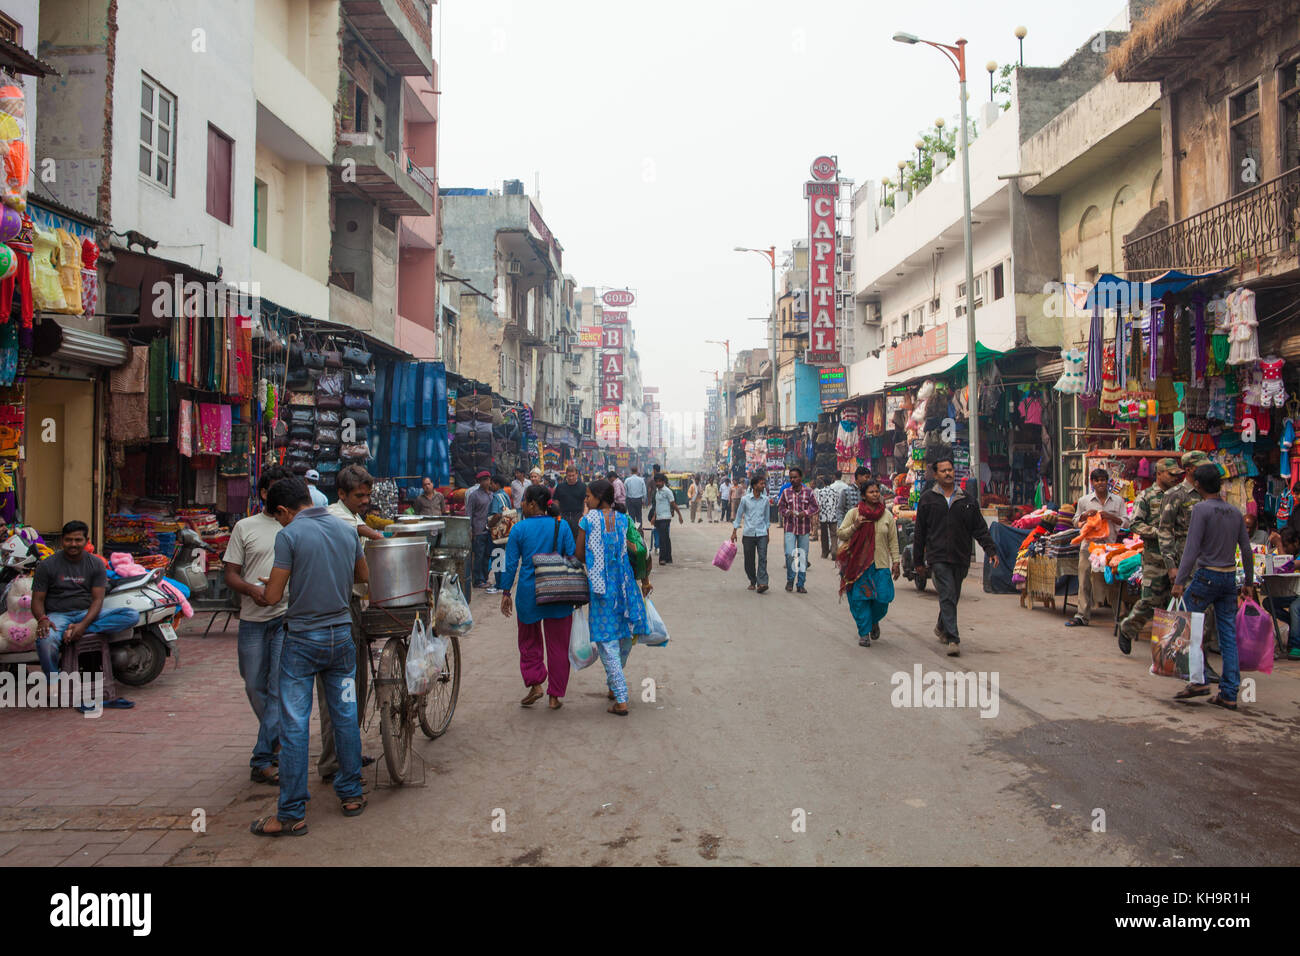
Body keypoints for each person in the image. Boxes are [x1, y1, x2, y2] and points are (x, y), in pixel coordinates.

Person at [250, 477, 368, 836]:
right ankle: (351, 794)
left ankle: (290, 812)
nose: (281, 522)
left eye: (279, 516)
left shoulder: (289, 535)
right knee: (345, 715)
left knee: (295, 723)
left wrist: (260, 589)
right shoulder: (347, 530)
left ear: (284, 510)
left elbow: (273, 596)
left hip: (302, 641)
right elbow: (362, 578)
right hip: (341, 639)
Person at [223, 465, 292, 784]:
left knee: (278, 688)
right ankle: (276, 738)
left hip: (284, 617)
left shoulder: (292, 525)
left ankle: (262, 757)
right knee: (253, 684)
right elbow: (231, 574)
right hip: (252, 618)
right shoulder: (245, 527)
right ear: (264, 493)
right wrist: (252, 589)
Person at [1171, 463, 1256, 712]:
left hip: (1206, 576)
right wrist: (1248, 582)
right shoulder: (1234, 512)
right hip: (1229, 578)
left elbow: (1191, 549)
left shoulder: (1201, 509)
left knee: (1187, 626)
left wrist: (1179, 581)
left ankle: (1197, 681)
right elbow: (1247, 551)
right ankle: (1229, 693)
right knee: (1227, 635)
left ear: (1197, 485)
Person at [32, 520, 137, 685]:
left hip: (86, 614)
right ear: (62, 540)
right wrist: (42, 619)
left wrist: (82, 625)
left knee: (131, 615)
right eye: (68, 540)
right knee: (45, 639)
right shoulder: (47, 565)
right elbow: (37, 600)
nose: (73, 544)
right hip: (58, 615)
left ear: (86, 541)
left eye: (78, 540)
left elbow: (98, 600)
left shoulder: (96, 564)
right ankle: (53, 681)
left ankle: (73, 631)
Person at [499, 484, 576, 711]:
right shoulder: (561, 526)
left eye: (523, 500)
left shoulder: (519, 529)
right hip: (558, 591)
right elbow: (572, 557)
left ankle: (535, 684)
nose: (521, 504)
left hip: (528, 593)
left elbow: (511, 563)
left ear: (532, 504)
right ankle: (555, 695)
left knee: (528, 641)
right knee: (559, 646)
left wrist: (505, 592)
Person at [576, 479, 648, 716]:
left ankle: (621, 697)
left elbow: (579, 555)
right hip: (625, 585)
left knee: (607, 642)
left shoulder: (587, 521)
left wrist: (597, 561)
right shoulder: (623, 519)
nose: (586, 500)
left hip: (602, 588)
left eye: (588, 496)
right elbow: (636, 548)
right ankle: (614, 683)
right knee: (625, 636)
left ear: (598, 497)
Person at [913, 456, 998, 657]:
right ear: (935, 475)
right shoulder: (927, 499)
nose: (948, 473)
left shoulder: (967, 500)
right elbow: (920, 533)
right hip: (938, 556)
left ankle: (941, 626)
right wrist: (918, 561)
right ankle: (953, 638)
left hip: (960, 556)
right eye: (943, 471)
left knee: (953, 595)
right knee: (948, 593)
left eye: (950, 470)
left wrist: (991, 550)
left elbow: (979, 528)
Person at [1117, 458, 1182, 655]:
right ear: (1159, 474)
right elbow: (1134, 524)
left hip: (1177, 556)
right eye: (1171, 474)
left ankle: (1173, 645)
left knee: (1178, 601)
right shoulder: (1146, 496)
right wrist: (1157, 533)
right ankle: (1128, 628)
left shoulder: (1179, 495)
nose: (1175, 478)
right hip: (1155, 557)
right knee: (1150, 601)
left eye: (1177, 475)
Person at [836, 478, 901, 647]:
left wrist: (896, 561)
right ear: (863, 495)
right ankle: (864, 633)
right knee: (860, 600)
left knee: (883, 599)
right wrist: (855, 526)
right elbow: (841, 534)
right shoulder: (854, 514)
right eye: (871, 492)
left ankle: (873, 621)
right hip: (858, 566)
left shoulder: (886, 515)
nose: (875, 494)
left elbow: (893, 540)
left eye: (877, 491)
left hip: (880, 565)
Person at [1065, 468, 1129, 628]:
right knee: (1084, 580)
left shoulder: (1118, 501)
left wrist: (1110, 517)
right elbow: (1075, 522)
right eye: (1097, 480)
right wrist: (1085, 516)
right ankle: (1082, 616)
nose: (1101, 483)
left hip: (1109, 547)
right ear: (1092, 482)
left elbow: (1127, 522)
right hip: (1088, 546)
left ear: (1107, 481)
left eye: (1103, 479)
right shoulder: (1084, 501)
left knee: (1112, 580)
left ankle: (1120, 617)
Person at [777, 466, 818, 594]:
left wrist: (805, 513)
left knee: (802, 556)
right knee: (789, 554)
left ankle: (800, 584)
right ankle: (790, 579)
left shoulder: (809, 492)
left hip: (804, 528)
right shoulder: (786, 492)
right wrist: (787, 512)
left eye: (795, 477)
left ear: (801, 478)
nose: (793, 480)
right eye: (791, 478)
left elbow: (815, 507)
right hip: (790, 527)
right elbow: (780, 507)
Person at [731, 474, 770, 592]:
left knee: (762, 558)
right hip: (748, 533)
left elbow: (767, 519)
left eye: (764, 484)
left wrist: (768, 534)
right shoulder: (745, 500)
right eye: (761, 484)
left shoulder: (766, 500)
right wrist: (734, 532)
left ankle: (762, 583)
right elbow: (738, 516)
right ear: (754, 486)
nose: (763, 486)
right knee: (749, 559)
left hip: (762, 533)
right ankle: (752, 580)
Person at [465, 470, 495, 590]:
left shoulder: (492, 494)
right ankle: (478, 580)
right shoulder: (474, 495)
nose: (486, 482)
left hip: (490, 530)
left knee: (487, 555)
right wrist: (470, 529)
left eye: (487, 479)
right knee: (478, 555)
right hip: (478, 530)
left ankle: (485, 577)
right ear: (479, 482)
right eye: (483, 480)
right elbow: (469, 513)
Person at [652, 472, 683, 564]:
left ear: (663, 482)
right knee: (666, 538)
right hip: (659, 517)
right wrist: (654, 517)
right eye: (656, 482)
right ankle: (669, 558)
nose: (657, 483)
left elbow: (673, 504)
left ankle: (662, 558)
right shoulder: (657, 491)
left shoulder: (667, 491)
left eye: (659, 482)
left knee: (662, 538)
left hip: (665, 518)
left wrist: (679, 515)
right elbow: (657, 505)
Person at [554, 465, 588, 540]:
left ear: (577, 475)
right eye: (569, 476)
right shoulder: (560, 487)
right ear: (566, 475)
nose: (571, 478)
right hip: (563, 516)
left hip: (578, 516)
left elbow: (586, 503)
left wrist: (584, 516)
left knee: (578, 538)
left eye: (573, 475)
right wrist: (558, 515)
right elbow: (556, 502)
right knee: (563, 537)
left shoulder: (583, 486)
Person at [815, 475, 839, 560]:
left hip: (823, 516)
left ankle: (824, 553)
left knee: (824, 535)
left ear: (823, 483)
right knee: (834, 535)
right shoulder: (835, 492)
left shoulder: (820, 492)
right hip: (833, 516)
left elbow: (818, 504)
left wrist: (817, 515)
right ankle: (834, 551)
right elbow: (837, 504)